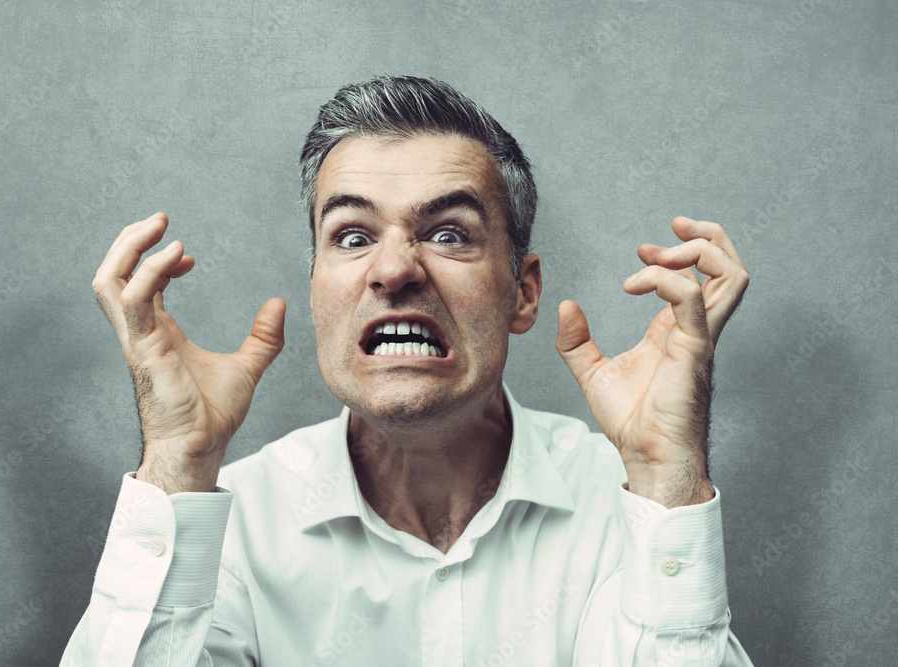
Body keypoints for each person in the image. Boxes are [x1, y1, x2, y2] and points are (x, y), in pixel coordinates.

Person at [61, 76, 754, 666]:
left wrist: (669, 476)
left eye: (448, 233)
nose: (394, 269)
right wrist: (177, 465)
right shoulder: (231, 523)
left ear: (524, 291)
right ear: (315, 289)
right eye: (354, 236)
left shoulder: (632, 511)